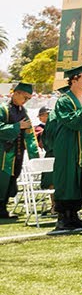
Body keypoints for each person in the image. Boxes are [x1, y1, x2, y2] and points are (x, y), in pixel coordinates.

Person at [49, 64, 82, 231]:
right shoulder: (64, 100)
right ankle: (63, 217)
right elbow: (72, 122)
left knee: (81, 179)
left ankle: (74, 214)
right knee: (67, 179)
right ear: (74, 80)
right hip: (69, 148)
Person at [0, 83, 38, 220]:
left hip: (18, 152)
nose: (26, 101)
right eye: (25, 97)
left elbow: (29, 132)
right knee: (2, 179)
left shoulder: (23, 111)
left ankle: (3, 207)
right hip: (3, 152)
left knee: (12, 178)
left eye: (28, 99)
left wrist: (34, 154)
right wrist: (17, 126)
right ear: (16, 93)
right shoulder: (2, 109)